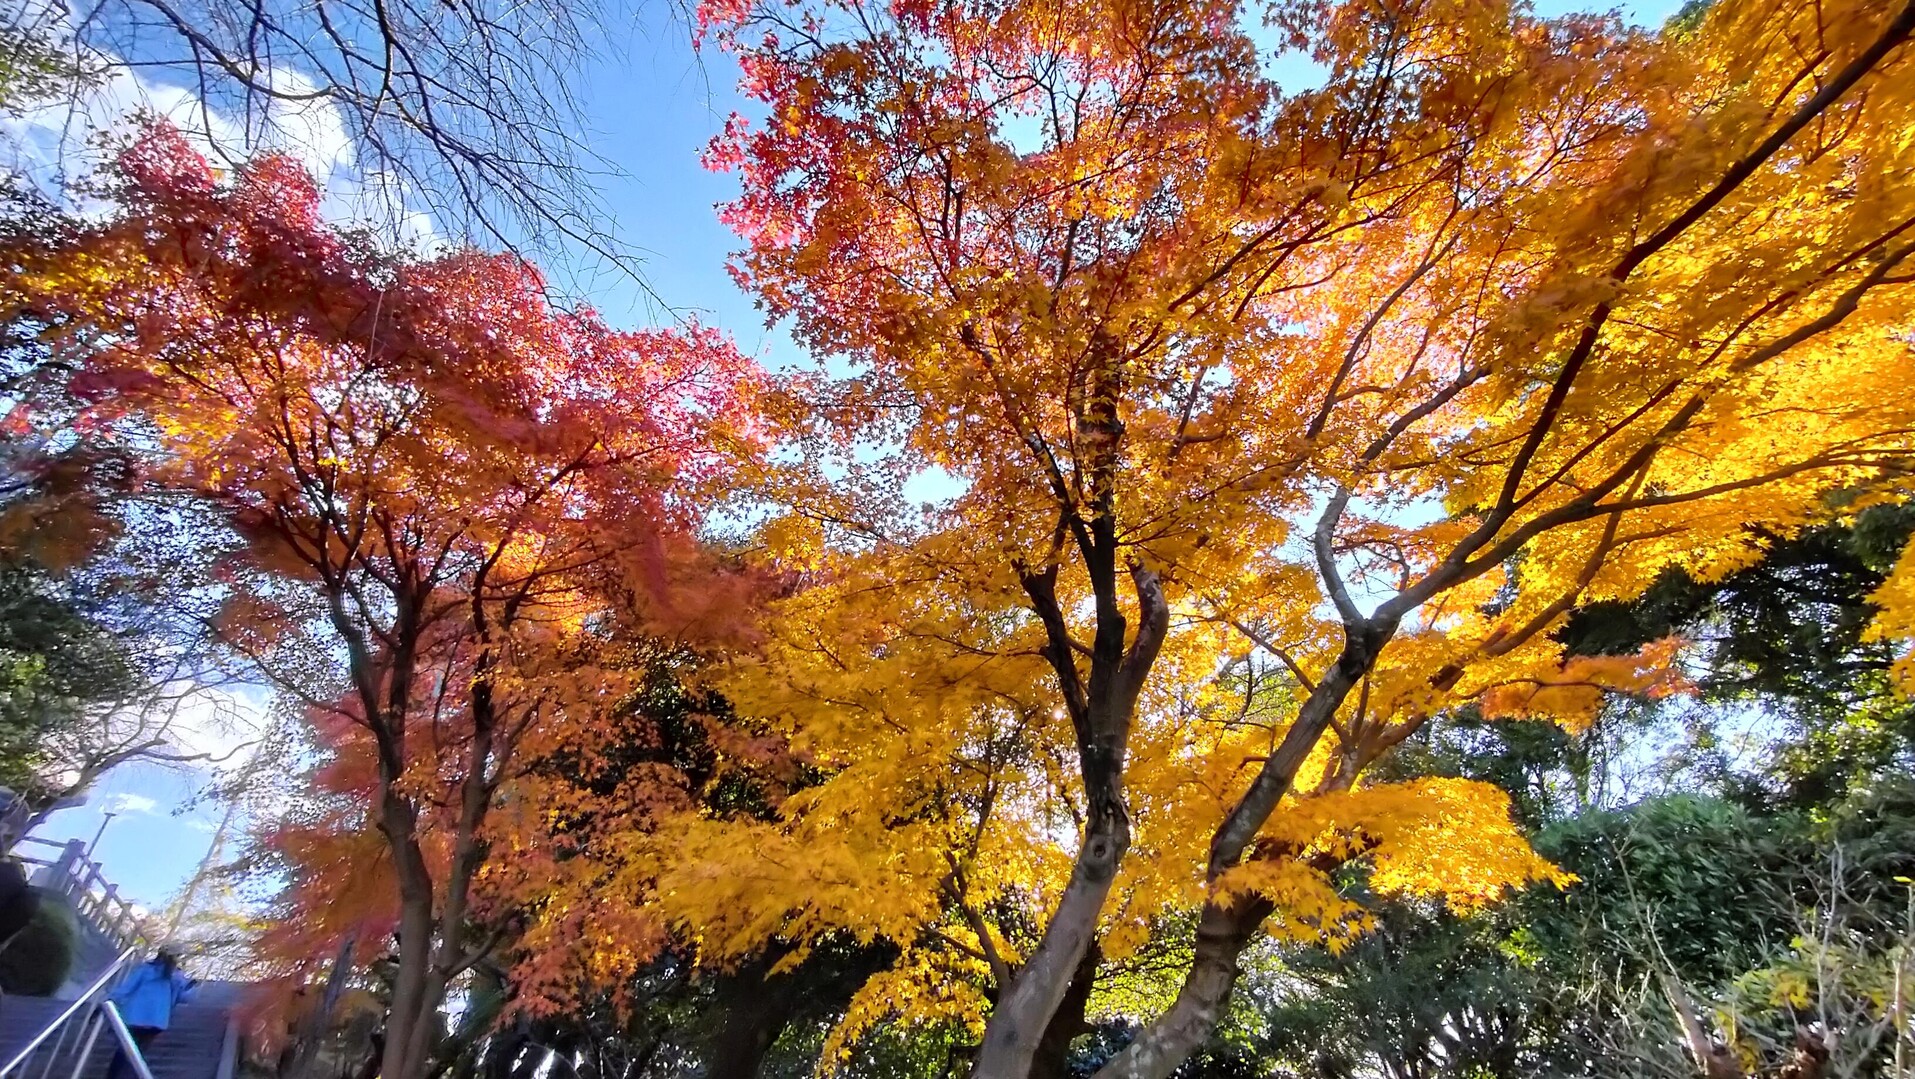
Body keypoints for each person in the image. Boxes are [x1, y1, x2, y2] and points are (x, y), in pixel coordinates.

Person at [104, 951, 195, 1079]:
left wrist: (110, 999)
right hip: (157, 1021)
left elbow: (127, 988)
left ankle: (113, 1076)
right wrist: (190, 987)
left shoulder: (146, 969)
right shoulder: (176, 976)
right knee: (138, 1052)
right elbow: (183, 998)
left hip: (134, 1016)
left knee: (124, 1049)